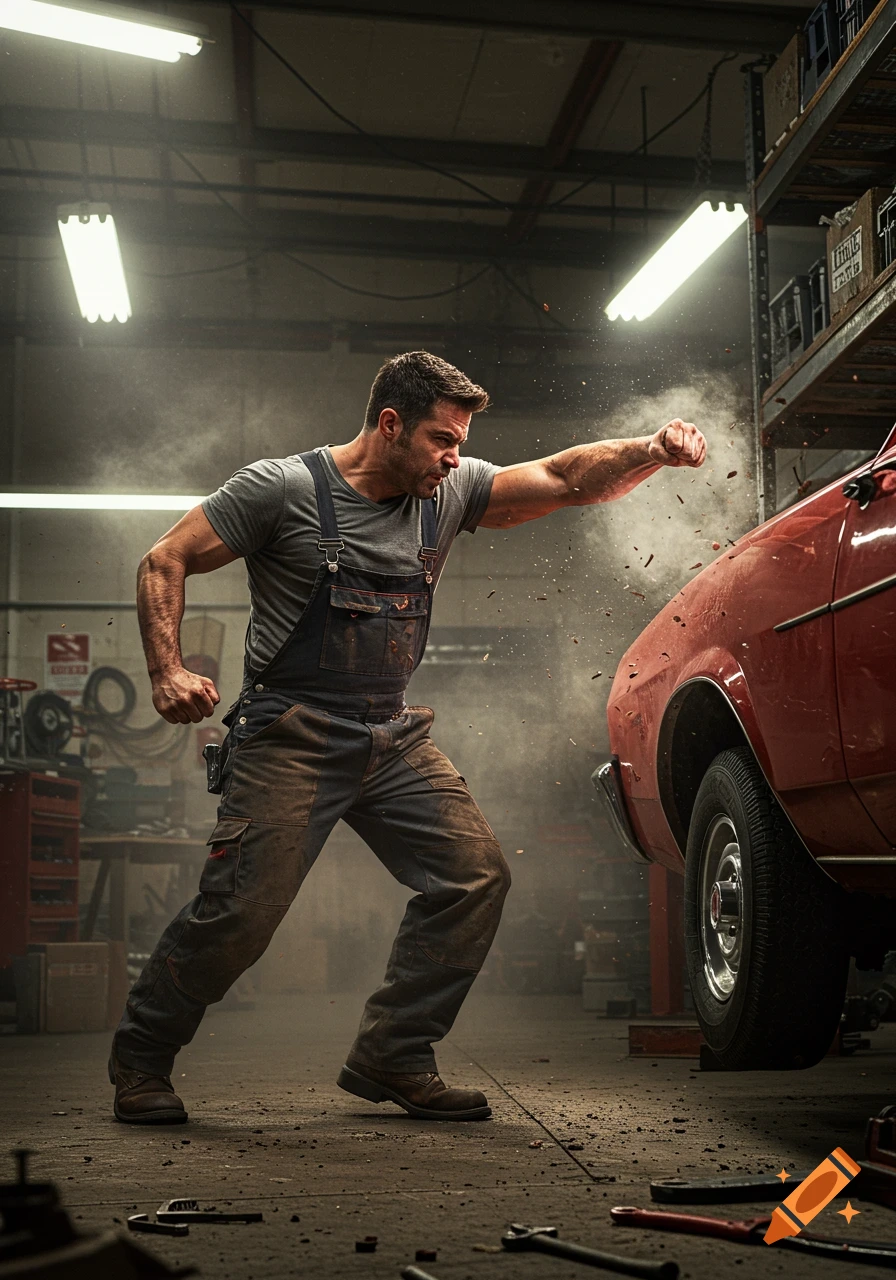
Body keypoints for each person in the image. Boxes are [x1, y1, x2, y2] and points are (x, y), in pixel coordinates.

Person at [109, 350, 706, 1125]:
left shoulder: (448, 491)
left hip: (390, 733)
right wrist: (166, 671)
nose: (454, 458)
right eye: (440, 440)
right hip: (289, 732)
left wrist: (649, 451)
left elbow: (563, 478)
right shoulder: (283, 489)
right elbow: (166, 559)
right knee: (240, 914)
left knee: (476, 875)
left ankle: (395, 1050)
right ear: (389, 424)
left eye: (460, 442)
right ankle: (142, 1062)